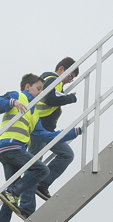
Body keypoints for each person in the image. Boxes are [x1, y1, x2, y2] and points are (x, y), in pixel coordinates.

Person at [0, 75, 83, 222]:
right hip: (11, 146)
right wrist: (12, 103)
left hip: (10, 151)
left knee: (10, 196)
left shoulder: (34, 111)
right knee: (42, 170)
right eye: (39, 89)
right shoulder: (19, 96)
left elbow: (43, 135)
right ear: (28, 86)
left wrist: (72, 132)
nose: (41, 93)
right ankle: (12, 193)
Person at [31, 58, 80, 201]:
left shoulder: (57, 85)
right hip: (39, 129)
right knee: (34, 165)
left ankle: (42, 184)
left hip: (47, 131)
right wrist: (70, 98)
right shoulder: (52, 79)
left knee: (66, 154)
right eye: (70, 76)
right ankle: (23, 200)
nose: (70, 81)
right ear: (61, 70)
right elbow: (50, 99)